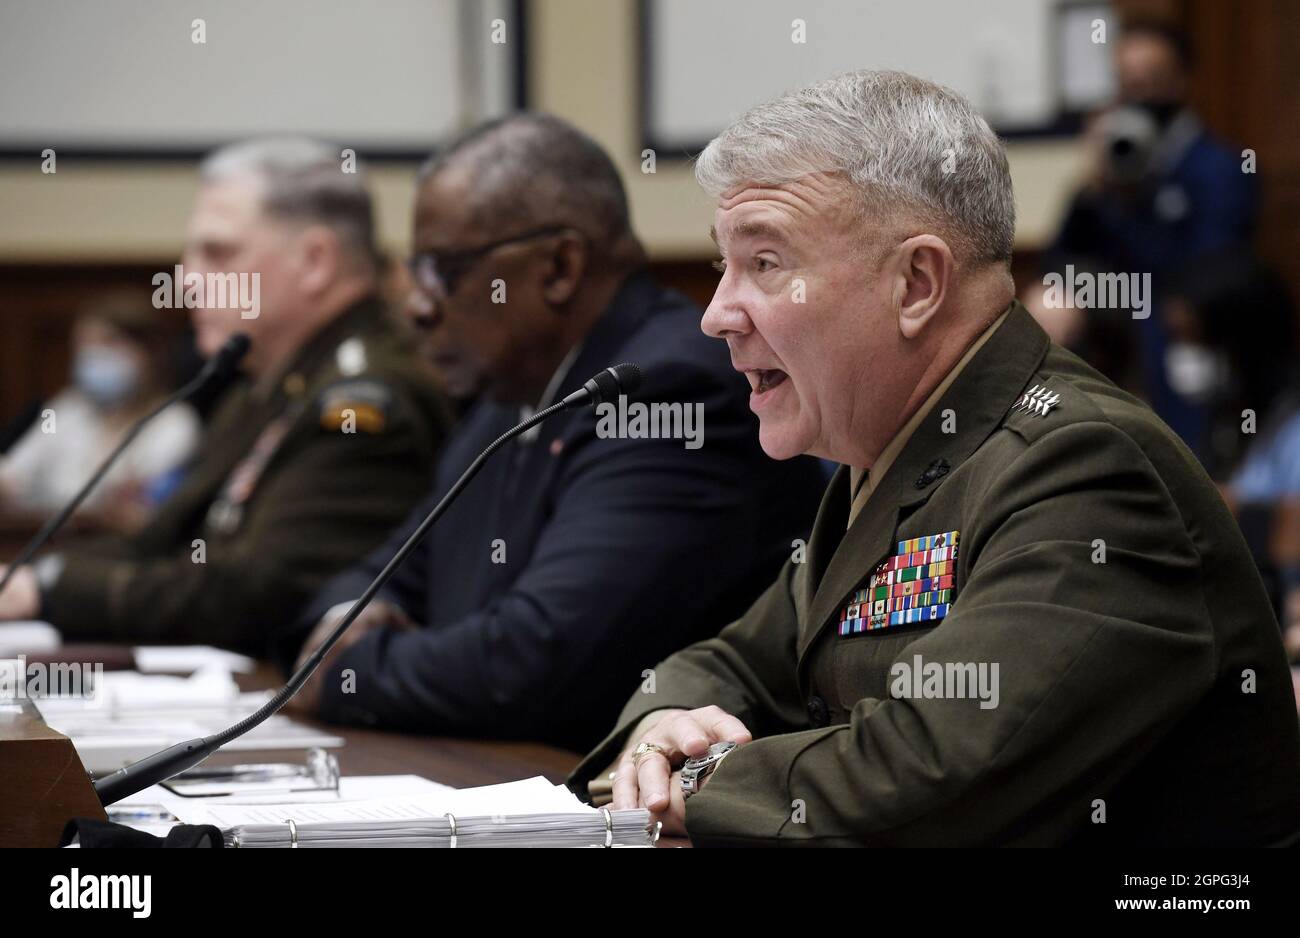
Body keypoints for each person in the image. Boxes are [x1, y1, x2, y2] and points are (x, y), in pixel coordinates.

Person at [568, 70, 1300, 846]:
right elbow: (734, 665)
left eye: (766, 263)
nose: (715, 314)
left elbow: (931, 779)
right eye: (721, 266)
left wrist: (693, 782)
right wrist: (657, 732)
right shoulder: (894, 453)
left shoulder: (1086, 469)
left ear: (917, 283)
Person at [275, 114, 825, 752]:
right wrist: (347, 621)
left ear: (559, 267)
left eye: (446, 270)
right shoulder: (507, 396)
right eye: (417, 270)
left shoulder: (665, 389)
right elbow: (384, 573)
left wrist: (343, 671)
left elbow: (535, 666)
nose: (419, 305)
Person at [0, 138, 450, 656]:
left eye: (217, 254)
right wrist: (36, 577)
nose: (187, 281)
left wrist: (49, 589)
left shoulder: (365, 401)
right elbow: (161, 542)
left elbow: (256, 595)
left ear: (315, 262)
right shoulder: (258, 386)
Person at [1048, 20, 1256, 452]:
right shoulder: (1109, 173)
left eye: (1152, 82)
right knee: (1052, 303)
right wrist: (1096, 190)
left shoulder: (1221, 168)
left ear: (1182, 82)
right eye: (1128, 84)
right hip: (1116, 315)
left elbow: (1205, 271)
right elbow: (1060, 256)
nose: (1139, 96)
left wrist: (1130, 203)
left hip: (1182, 324)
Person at [0, 293, 200, 531]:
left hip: (115, 555)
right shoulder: (63, 410)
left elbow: (145, 510)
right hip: (40, 541)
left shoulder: (175, 423)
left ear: (149, 351)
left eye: (107, 343)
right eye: (83, 344)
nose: (92, 355)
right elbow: (13, 474)